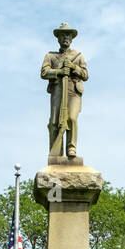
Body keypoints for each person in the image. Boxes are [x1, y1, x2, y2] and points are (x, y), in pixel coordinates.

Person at [40, 23, 87, 158]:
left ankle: (71, 148)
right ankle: (56, 152)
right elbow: (44, 72)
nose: (66, 38)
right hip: (58, 90)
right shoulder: (50, 56)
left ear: (71, 38)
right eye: (62, 35)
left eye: (68, 35)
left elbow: (85, 74)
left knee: (71, 118)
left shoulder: (78, 56)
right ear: (58, 39)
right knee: (55, 122)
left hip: (73, 90)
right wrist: (59, 72)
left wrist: (74, 67)